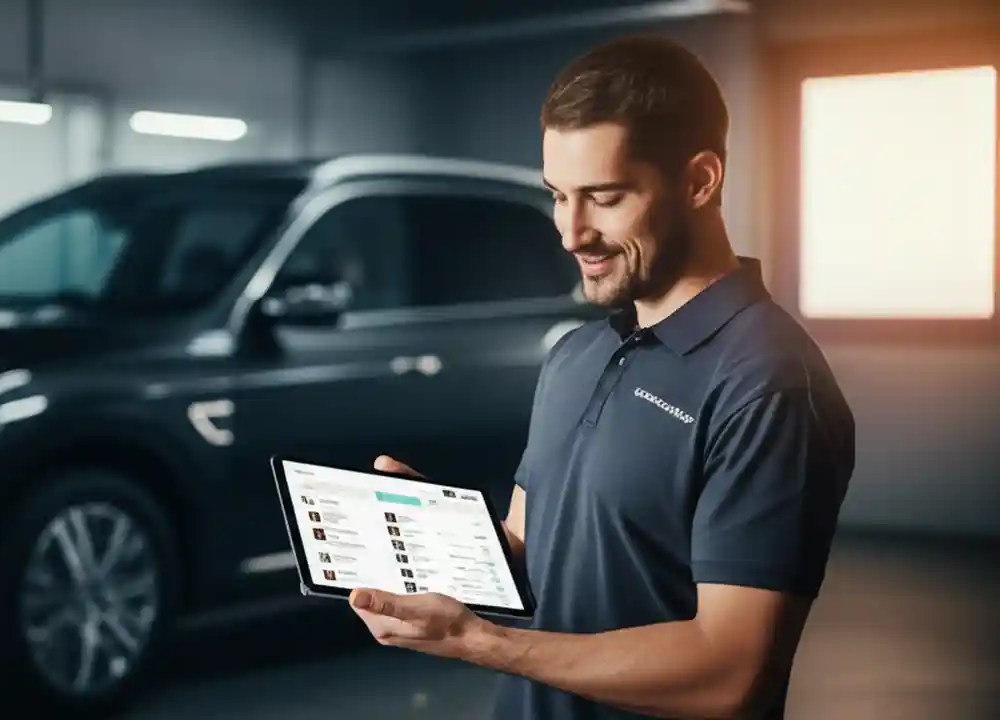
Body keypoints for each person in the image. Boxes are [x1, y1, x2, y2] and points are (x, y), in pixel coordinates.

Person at [347, 34, 855, 720]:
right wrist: (433, 539)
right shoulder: (577, 354)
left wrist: (482, 643)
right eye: (559, 196)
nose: (571, 232)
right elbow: (531, 551)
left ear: (700, 181)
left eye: (604, 197)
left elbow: (732, 673)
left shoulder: (770, 384)